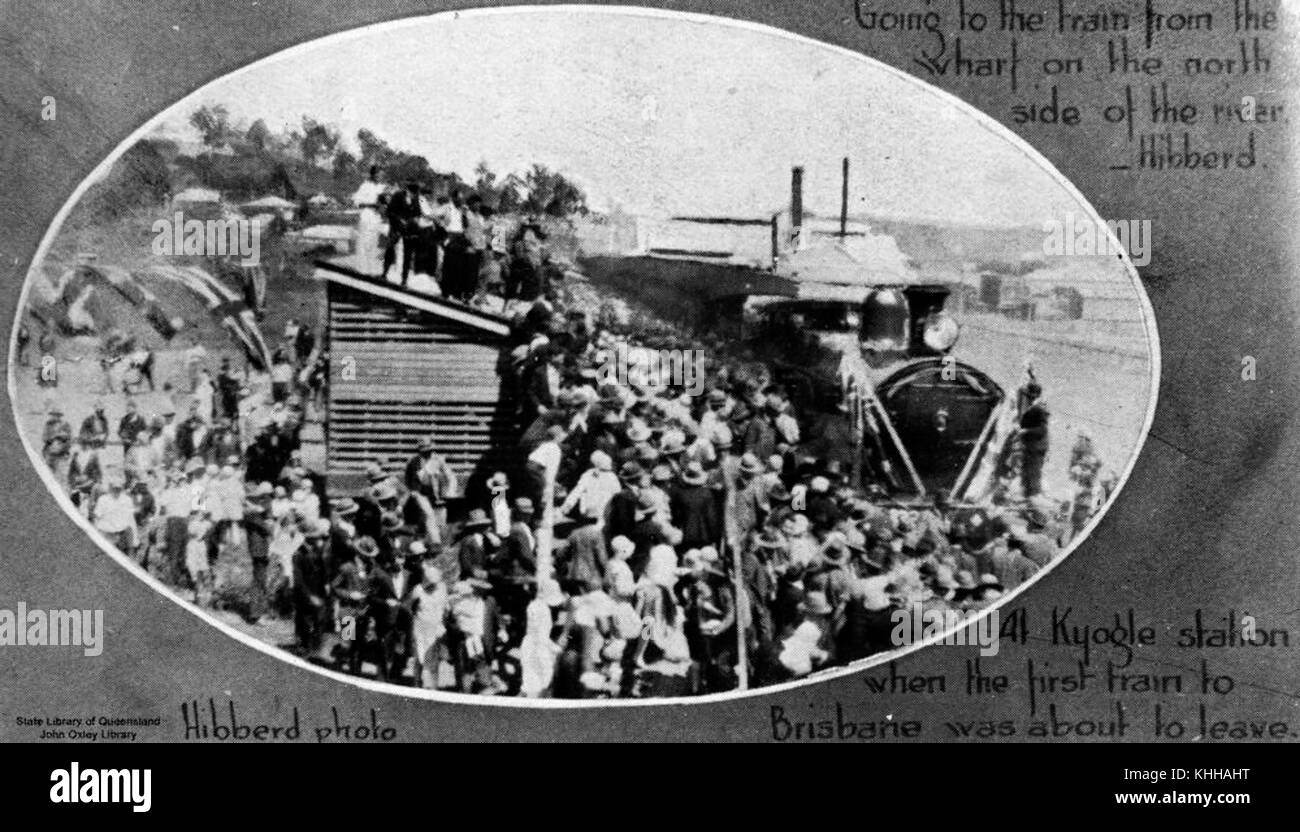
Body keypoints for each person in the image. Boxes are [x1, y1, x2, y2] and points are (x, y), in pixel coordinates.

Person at [407, 556, 450, 689]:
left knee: (433, 659)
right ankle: (417, 683)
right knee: (419, 657)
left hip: (435, 629)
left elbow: (446, 608)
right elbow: (410, 607)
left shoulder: (442, 589)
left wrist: (443, 622)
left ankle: (433, 686)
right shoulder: (418, 590)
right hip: (420, 628)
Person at [350, 166, 388, 271]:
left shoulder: (382, 187)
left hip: (377, 218)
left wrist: (383, 206)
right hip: (367, 217)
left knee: (373, 243)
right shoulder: (365, 186)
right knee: (364, 243)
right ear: (373, 175)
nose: (381, 177)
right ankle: (361, 269)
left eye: (382, 175)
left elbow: (385, 201)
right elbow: (357, 202)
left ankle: (370, 269)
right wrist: (372, 205)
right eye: (379, 175)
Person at [1018, 380, 1049, 499]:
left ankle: (1033, 500)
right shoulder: (1035, 408)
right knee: (1027, 474)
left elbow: (1042, 430)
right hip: (1032, 447)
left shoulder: (1039, 409)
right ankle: (1028, 497)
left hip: (1036, 448)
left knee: (1033, 475)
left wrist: (1026, 431)